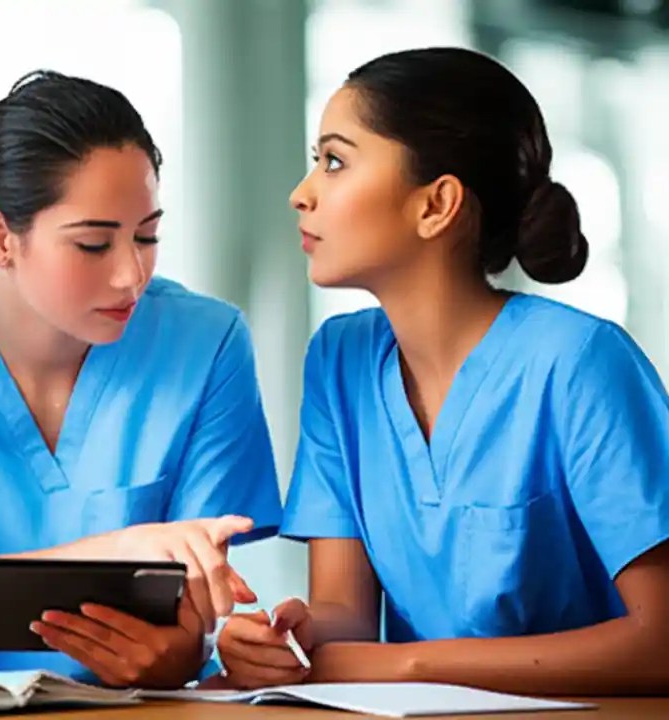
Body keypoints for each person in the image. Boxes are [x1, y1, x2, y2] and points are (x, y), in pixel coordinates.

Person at [217, 47, 669, 695]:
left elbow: (661, 642)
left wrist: (408, 663)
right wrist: (284, 640)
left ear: (437, 205)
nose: (302, 192)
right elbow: (344, 617)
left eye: (335, 162)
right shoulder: (338, 360)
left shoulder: (579, 362)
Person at [0, 70, 283, 688]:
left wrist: (176, 657)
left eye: (147, 235)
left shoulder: (207, 343)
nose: (133, 274)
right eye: (94, 244)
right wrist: (126, 549)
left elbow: (190, 621)